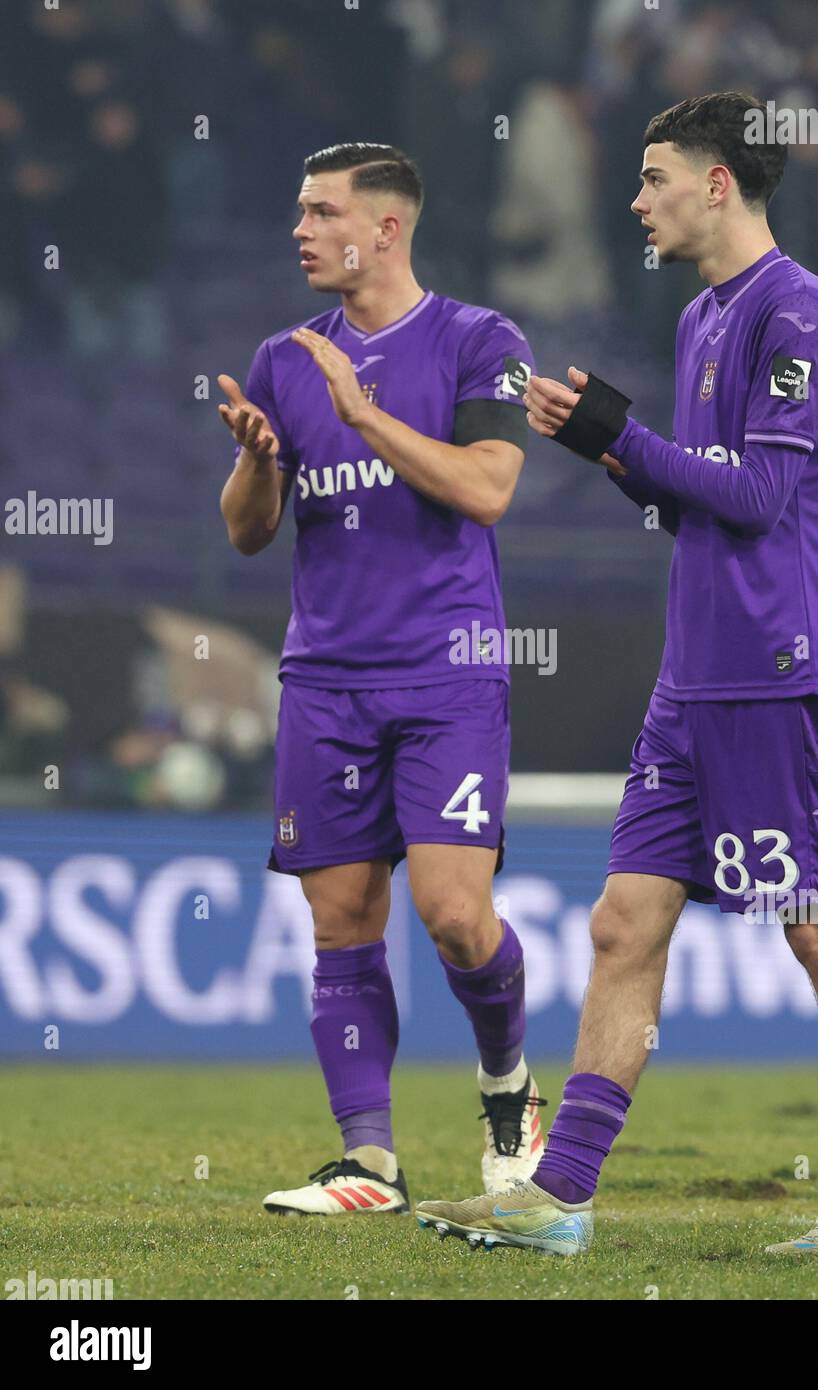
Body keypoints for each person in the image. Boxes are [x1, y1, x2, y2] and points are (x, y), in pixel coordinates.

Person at [416, 93, 818, 1259]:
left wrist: (618, 431)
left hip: (780, 665)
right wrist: (604, 444)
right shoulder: (703, 317)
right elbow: (680, 498)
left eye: (652, 177)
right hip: (694, 673)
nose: (636, 201)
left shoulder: (800, 310)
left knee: (817, 927)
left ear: (715, 183)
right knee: (622, 920)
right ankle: (560, 1196)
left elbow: (755, 496)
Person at [218, 143, 542, 1216]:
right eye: (299, 211)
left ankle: (506, 1087)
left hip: (448, 670)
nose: (301, 230)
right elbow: (248, 535)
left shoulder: (476, 340)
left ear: (387, 227)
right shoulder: (285, 357)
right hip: (326, 678)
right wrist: (261, 459)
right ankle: (369, 1162)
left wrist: (364, 417)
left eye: (321, 211)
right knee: (342, 918)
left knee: (455, 915)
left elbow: (488, 488)